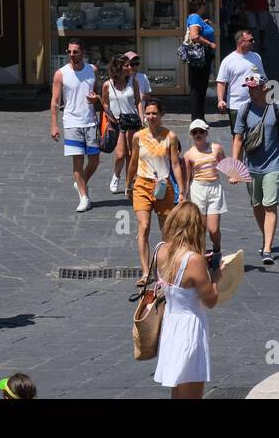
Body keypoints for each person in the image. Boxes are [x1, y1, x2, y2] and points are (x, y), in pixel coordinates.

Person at [152, 202, 219, 399]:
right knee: (191, 393)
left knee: (177, 390)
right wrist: (216, 278)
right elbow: (211, 300)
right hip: (189, 329)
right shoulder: (194, 260)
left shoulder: (160, 250)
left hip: (171, 325)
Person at [233, 70, 279, 266]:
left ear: (265, 88)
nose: (250, 92)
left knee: (270, 205)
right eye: (248, 89)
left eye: (253, 88)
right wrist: (235, 166)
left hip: (273, 165)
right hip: (250, 167)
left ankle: (268, 248)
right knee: (257, 205)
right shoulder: (244, 110)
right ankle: (266, 237)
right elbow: (237, 139)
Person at [128, 98, 184, 291]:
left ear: (161, 115)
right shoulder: (138, 136)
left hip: (163, 186)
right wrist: (129, 185)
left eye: (154, 113)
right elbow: (133, 162)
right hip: (142, 185)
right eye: (148, 113)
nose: (151, 117)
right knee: (143, 227)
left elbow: (175, 164)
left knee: (166, 230)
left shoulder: (171, 136)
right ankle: (145, 271)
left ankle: (166, 268)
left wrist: (182, 190)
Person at [50, 39, 101, 213]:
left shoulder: (92, 70)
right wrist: (54, 125)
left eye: (75, 52)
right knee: (77, 161)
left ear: (83, 52)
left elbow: (99, 93)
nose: (72, 55)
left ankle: (80, 183)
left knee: (94, 160)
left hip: (90, 121)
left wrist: (97, 99)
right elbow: (55, 101)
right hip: (71, 122)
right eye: (70, 52)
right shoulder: (60, 74)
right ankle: (84, 197)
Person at [185, 118, 231, 268]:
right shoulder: (188, 155)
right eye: (195, 132)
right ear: (191, 135)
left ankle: (217, 250)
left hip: (214, 188)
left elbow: (225, 166)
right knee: (201, 227)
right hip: (198, 188)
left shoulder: (216, 148)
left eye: (201, 131)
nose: (198, 134)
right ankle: (202, 255)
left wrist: (232, 176)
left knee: (213, 229)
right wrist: (183, 196)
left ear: (206, 132)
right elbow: (187, 177)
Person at [102, 55, 143, 195]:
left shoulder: (133, 81)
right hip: (117, 122)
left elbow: (138, 101)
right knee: (120, 155)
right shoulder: (108, 84)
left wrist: (142, 119)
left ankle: (129, 183)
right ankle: (116, 175)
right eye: (127, 65)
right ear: (118, 68)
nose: (130, 67)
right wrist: (109, 116)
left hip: (132, 120)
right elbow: (105, 103)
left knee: (131, 154)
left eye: (131, 65)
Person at [216, 29, 265, 127]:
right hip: (236, 105)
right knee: (237, 136)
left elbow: (263, 78)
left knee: (255, 134)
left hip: (255, 104)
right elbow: (221, 82)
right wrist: (220, 100)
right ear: (240, 42)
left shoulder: (256, 57)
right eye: (250, 40)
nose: (253, 42)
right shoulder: (228, 61)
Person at [184, 0, 217, 124]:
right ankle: (197, 117)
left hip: (203, 56)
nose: (205, 7)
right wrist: (210, 44)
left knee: (200, 86)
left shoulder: (197, 18)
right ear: (199, 6)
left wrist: (204, 23)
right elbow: (194, 36)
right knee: (198, 87)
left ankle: (199, 116)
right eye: (204, 4)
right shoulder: (194, 18)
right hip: (201, 56)